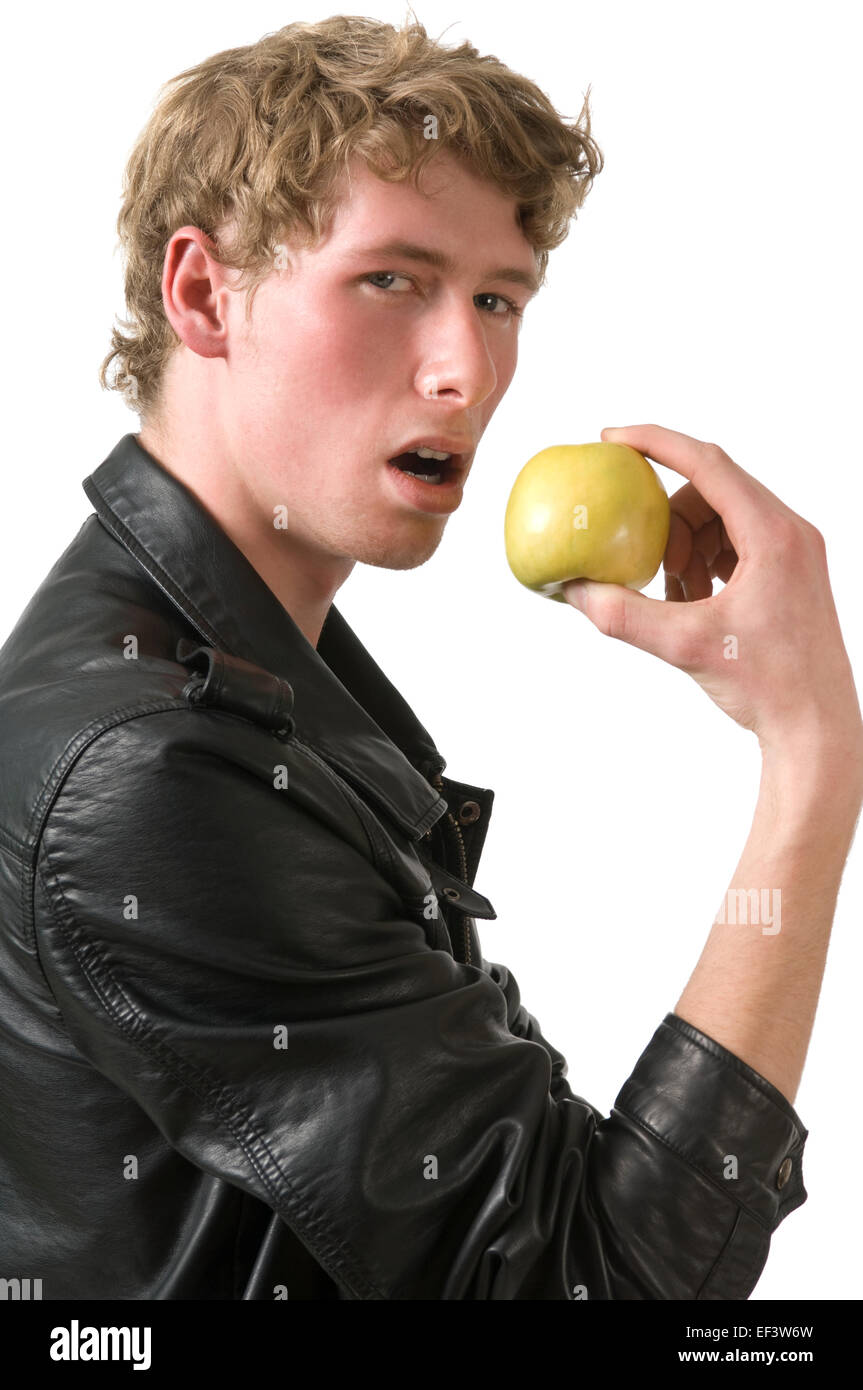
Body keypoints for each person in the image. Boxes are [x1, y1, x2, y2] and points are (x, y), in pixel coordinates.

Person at [0, 13, 860, 1302]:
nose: (468, 368)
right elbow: (594, 1288)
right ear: (202, 294)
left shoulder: (250, 685)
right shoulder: (154, 767)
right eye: (391, 279)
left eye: (499, 298)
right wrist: (814, 759)